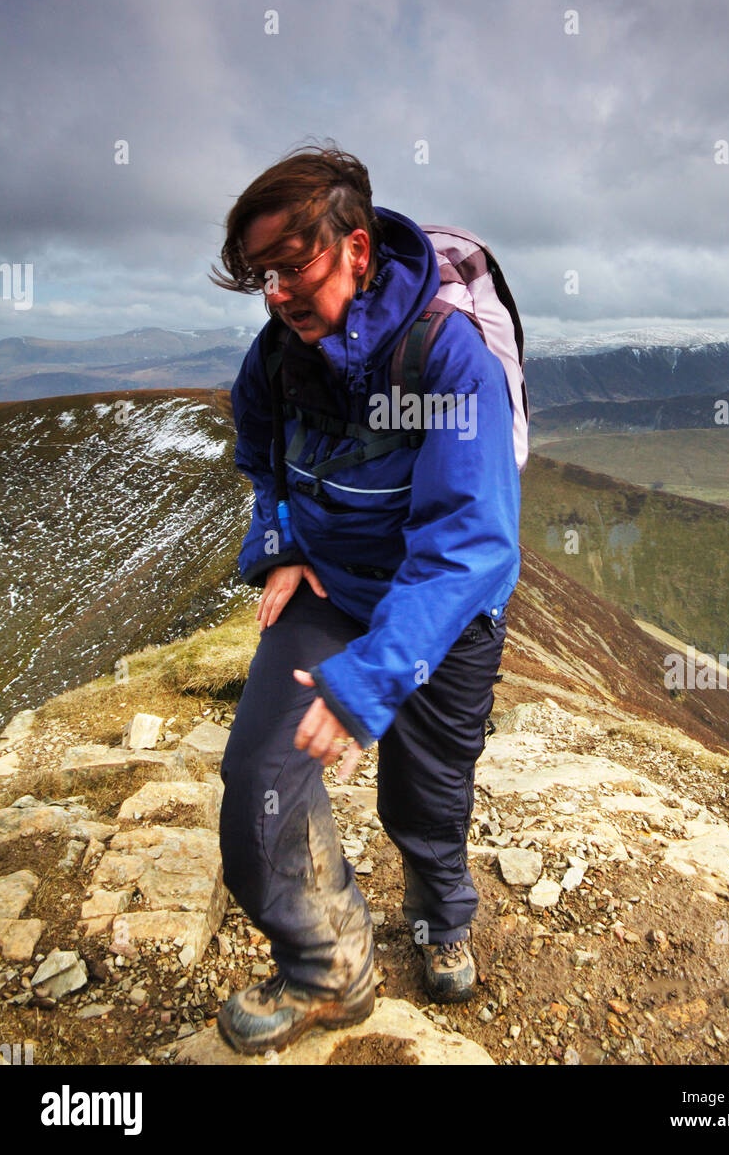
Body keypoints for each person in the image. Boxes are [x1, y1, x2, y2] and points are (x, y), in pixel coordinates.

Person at [209, 141, 521, 1055]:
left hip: (446, 614)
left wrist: (372, 680)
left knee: (424, 793)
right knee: (257, 780)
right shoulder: (277, 358)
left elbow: (468, 543)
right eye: (262, 275)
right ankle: (328, 969)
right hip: (333, 589)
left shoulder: (446, 358)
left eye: (291, 265)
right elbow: (262, 461)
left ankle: (441, 920)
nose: (276, 293)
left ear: (354, 246)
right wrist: (280, 549)